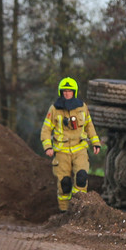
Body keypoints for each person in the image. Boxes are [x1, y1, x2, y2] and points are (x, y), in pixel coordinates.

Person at [39, 77, 101, 212]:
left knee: (81, 177)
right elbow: (46, 130)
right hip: (62, 152)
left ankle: (79, 208)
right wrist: (48, 147)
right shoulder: (54, 109)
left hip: (80, 149)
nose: (67, 94)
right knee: (64, 184)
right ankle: (64, 211)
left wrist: (95, 142)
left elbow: (89, 125)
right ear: (60, 92)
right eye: (65, 91)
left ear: (75, 92)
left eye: (70, 91)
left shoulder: (82, 107)